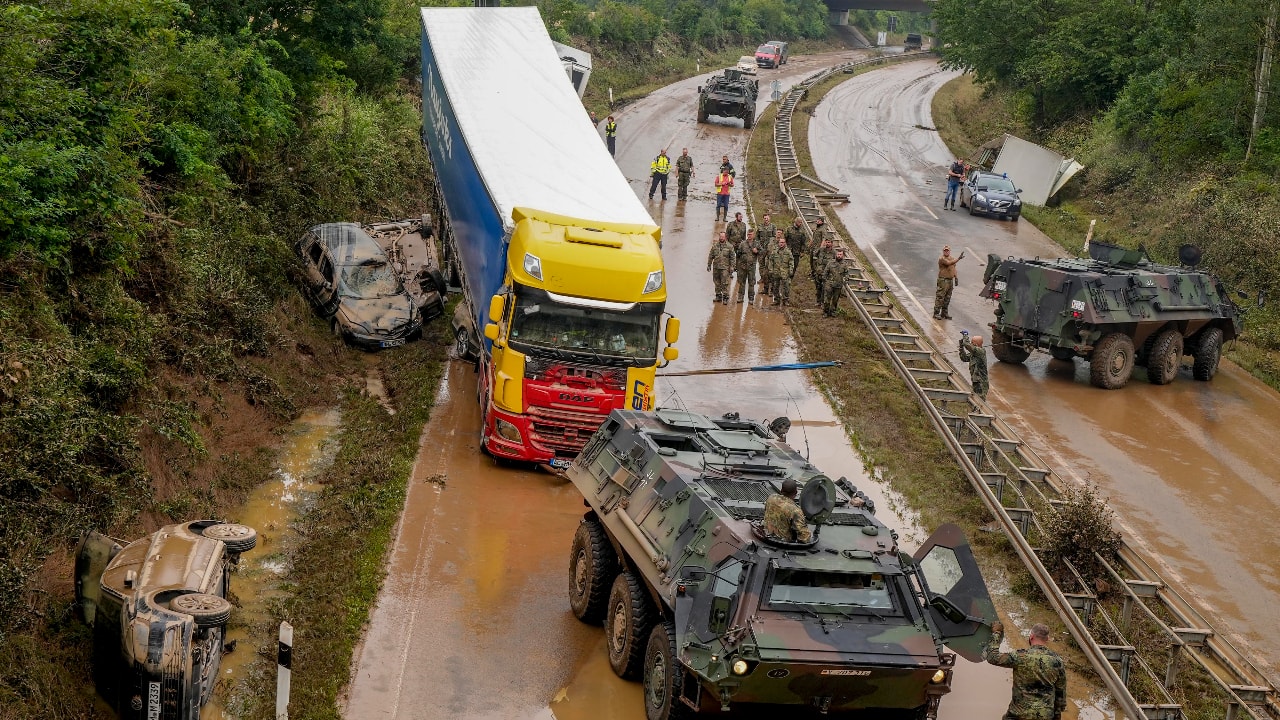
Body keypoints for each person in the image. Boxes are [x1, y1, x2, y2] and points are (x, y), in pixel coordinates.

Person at [985, 621, 1067, 720]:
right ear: (1047, 639)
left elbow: (992, 657)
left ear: (1031, 637)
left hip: (1018, 715)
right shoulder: (1058, 661)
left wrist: (996, 632)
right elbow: (1060, 696)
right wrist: (1057, 715)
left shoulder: (1020, 656)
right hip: (1045, 716)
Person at [763, 478, 812, 542]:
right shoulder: (795, 510)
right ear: (796, 493)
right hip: (783, 542)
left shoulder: (771, 498)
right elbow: (805, 537)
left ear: (781, 490)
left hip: (767, 534)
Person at [934, 245, 965, 319]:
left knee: (947, 297)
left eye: (947, 250)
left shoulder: (952, 259)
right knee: (940, 296)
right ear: (943, 251)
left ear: (949, 251)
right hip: (943, 280)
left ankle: (944, 313)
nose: (946, 251)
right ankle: (936, 313)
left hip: (950, 280)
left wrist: (956, 277)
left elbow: (953, 268)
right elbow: (949, 263)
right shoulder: (942, 259)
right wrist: (959, 258)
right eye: (945, 250)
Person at [706, 231, 737, 304]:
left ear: (725, 237)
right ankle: (718, 296)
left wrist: (732, 266)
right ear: (719, 237)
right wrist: (709, 265)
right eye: (720, 237)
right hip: (716, 267)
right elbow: (711, 256)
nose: (721, 238)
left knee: (725, 283)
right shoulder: (715, 246)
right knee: (717, 282)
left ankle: (725, 297)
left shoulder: (730, 246)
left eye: (723, 237)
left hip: (725, 268)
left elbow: (733, 258)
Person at [766, 233, 793, 306]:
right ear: (779, 243)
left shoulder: (788, 252)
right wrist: (770, 269)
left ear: (785, 243)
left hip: (785, 272)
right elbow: (771, 261)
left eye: (783, 242)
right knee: (775, 287)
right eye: (780, 242)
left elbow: (791, 261)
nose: (781, 244)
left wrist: (791, 270)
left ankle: (786, 300)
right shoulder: (774, 251)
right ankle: (776, 300)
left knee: (786, 287)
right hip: (776, 272)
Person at [959, 332, 989, 399]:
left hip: (981, 384)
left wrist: (965, 336)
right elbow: (964, 358)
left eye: (972, 342)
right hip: (976, 382)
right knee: (975, 399)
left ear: (976, 344)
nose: (971, 343)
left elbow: (968, 345)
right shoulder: (974, 354)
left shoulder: (980, 352)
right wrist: (961, 348)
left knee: (980, 401)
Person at [734, 230, 761, 303]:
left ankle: (751, 298)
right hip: (743, 267)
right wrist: (737, 265)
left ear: (753, 235)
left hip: (752, 268)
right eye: (748, 234)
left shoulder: (757, 244)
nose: (749, 236)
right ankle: (740, 297)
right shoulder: (742, 244)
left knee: (751, 283)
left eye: (751, 234)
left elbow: (762, 252)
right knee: (742, 282)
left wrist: (757, 251)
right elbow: (738, 254)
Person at [821, 248, 848, 317]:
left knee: (835, 300)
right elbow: (825, 272)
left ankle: (833, 311)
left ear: (843, 256)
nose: (839, 256)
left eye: (840, 254)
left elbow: (846, 274)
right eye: (838, 254)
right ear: (836, 255)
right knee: (827, 299)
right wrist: (825, 281)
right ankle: (825, 312)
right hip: (829, 284)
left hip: (838, 285)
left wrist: (845, 280)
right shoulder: (830, 263)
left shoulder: (844, 265)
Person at [812, 236, 836, 305]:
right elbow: (814, 255)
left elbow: (836, 263)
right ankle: (818, 301)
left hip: (827, 274)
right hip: (819, 272)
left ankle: (823, 302)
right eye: (826, 242)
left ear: (832, 244)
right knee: (818, 287)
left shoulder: (834, 253)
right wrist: (816, 265)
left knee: (825, 288)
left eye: (829, 242)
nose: (827, 243)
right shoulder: (821, 250)